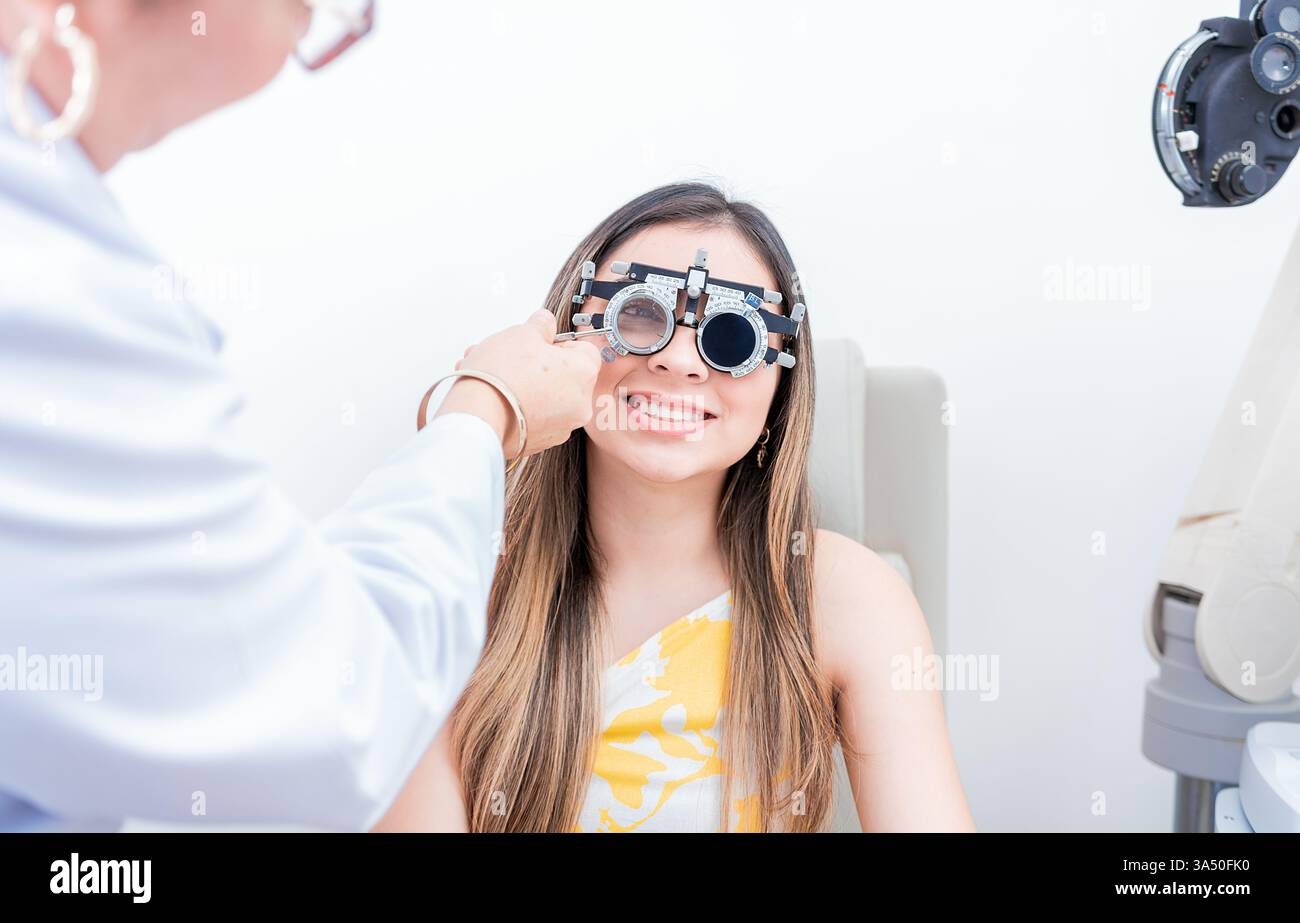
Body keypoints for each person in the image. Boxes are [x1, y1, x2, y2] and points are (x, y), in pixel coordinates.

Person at [0, 0, 600, 831]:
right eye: (305, 14)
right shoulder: (44, 275)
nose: (680, 357)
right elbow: (331, 721)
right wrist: (484, 410)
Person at [375, 183, 977, 832]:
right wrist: (484, 406)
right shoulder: (460, 585)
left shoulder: (846, 597)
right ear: (564, 339)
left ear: (779, 392)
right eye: (639, 314)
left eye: (730, 334)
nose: (680, 360)